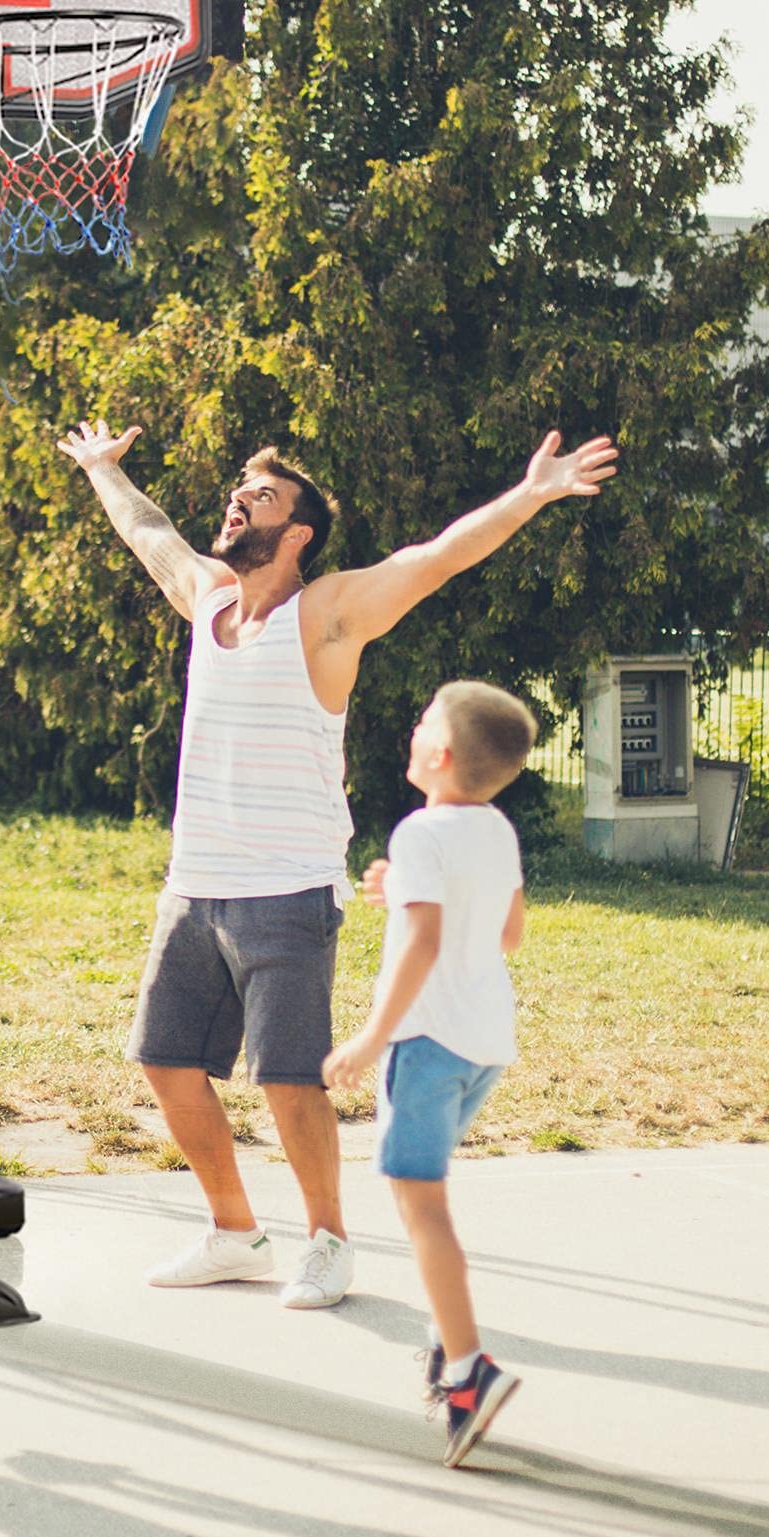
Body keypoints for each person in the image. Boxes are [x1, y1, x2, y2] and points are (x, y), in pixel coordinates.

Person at [58, 421, 615, 1307]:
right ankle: (236, 1232)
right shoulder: (208, 599)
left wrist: (534, 491)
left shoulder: (328, 615)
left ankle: (328, 1241)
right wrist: (102, 472)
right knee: (165, 1062)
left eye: (261, 496)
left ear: (299, 533)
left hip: (287, 890)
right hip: (193, 883)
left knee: (287, 1079)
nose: (238, 500)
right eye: (239, 491)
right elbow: (148, 534)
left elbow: (436, 557)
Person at [323, 681, 537, 1467]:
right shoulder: (494, 828)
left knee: (424, 1212)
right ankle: (448, 1344)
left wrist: (370, 1039)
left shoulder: (420, 832)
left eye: (422, 724)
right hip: (485, 1044)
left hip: (426, 1043)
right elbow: (507, 932)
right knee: (424, 1204)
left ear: (439, 755)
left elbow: (423, 945)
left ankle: (466, 1370)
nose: (412, 730)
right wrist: (401, 894)